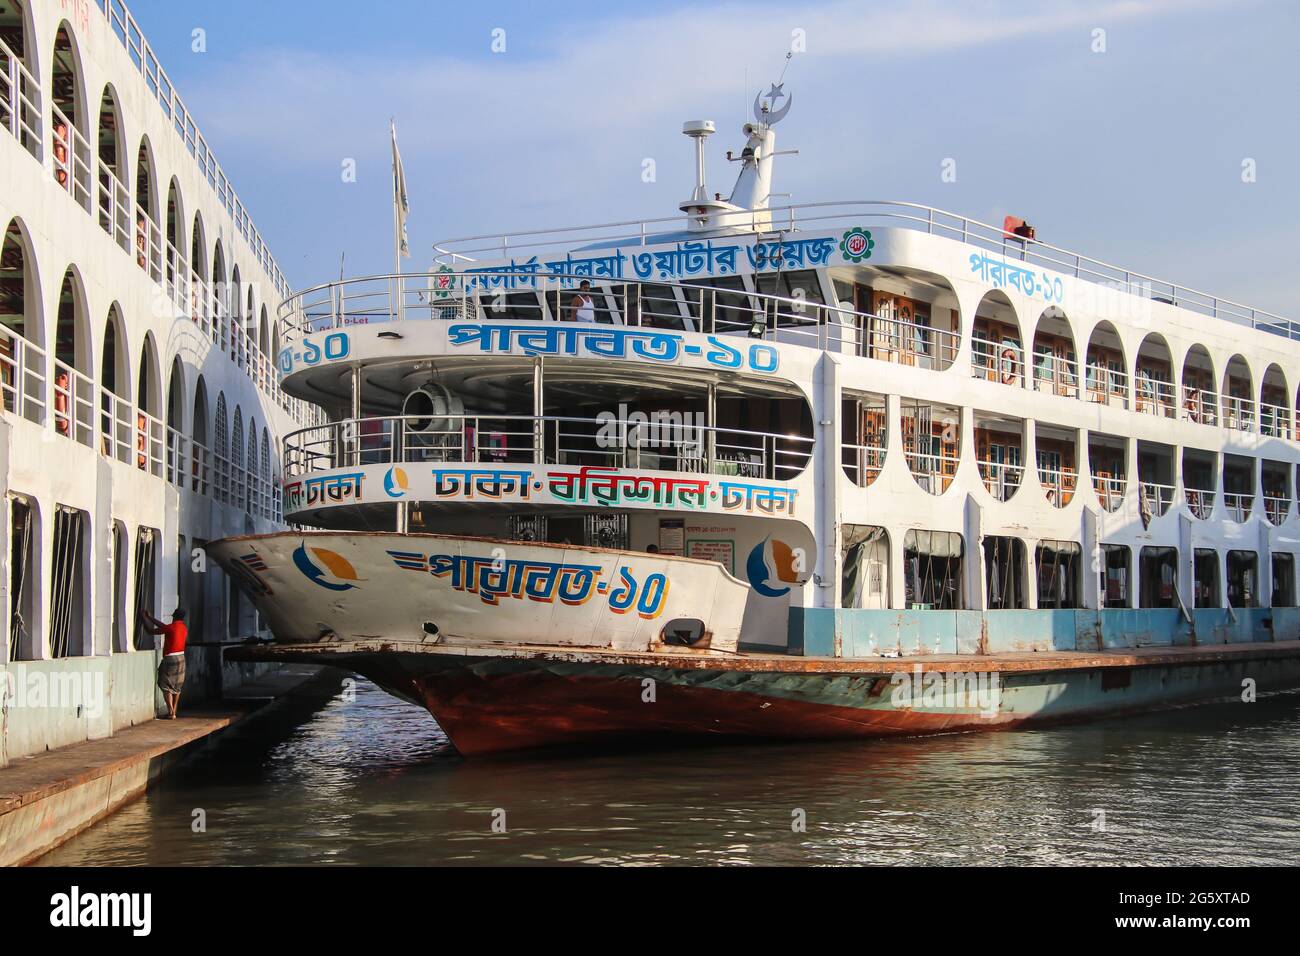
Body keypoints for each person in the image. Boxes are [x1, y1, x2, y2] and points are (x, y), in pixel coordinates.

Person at [143, 608, 188, 719]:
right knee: (177, 686)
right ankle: (174, 711)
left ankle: (171, 712)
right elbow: (164, 627)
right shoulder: (183, 628)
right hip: (181, 658)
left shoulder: (171, 628)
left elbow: (150, 631)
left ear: (174, 617)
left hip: (170, 659)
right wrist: (150, 618)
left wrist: (144, 619)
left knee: (165, 685)